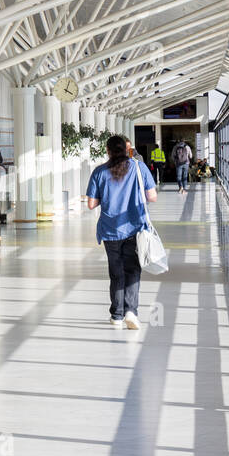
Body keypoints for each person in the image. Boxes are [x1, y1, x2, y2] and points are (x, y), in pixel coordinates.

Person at [87, 134, 157, 329]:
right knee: (133, 270)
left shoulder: (99, 172)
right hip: (135, 227)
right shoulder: (138, 167)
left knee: (116, 272)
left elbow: (91, 204)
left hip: (110, 230)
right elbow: (152, 197)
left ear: (108, 151)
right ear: (127, 150)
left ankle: (116, 315)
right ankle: (131, 312)